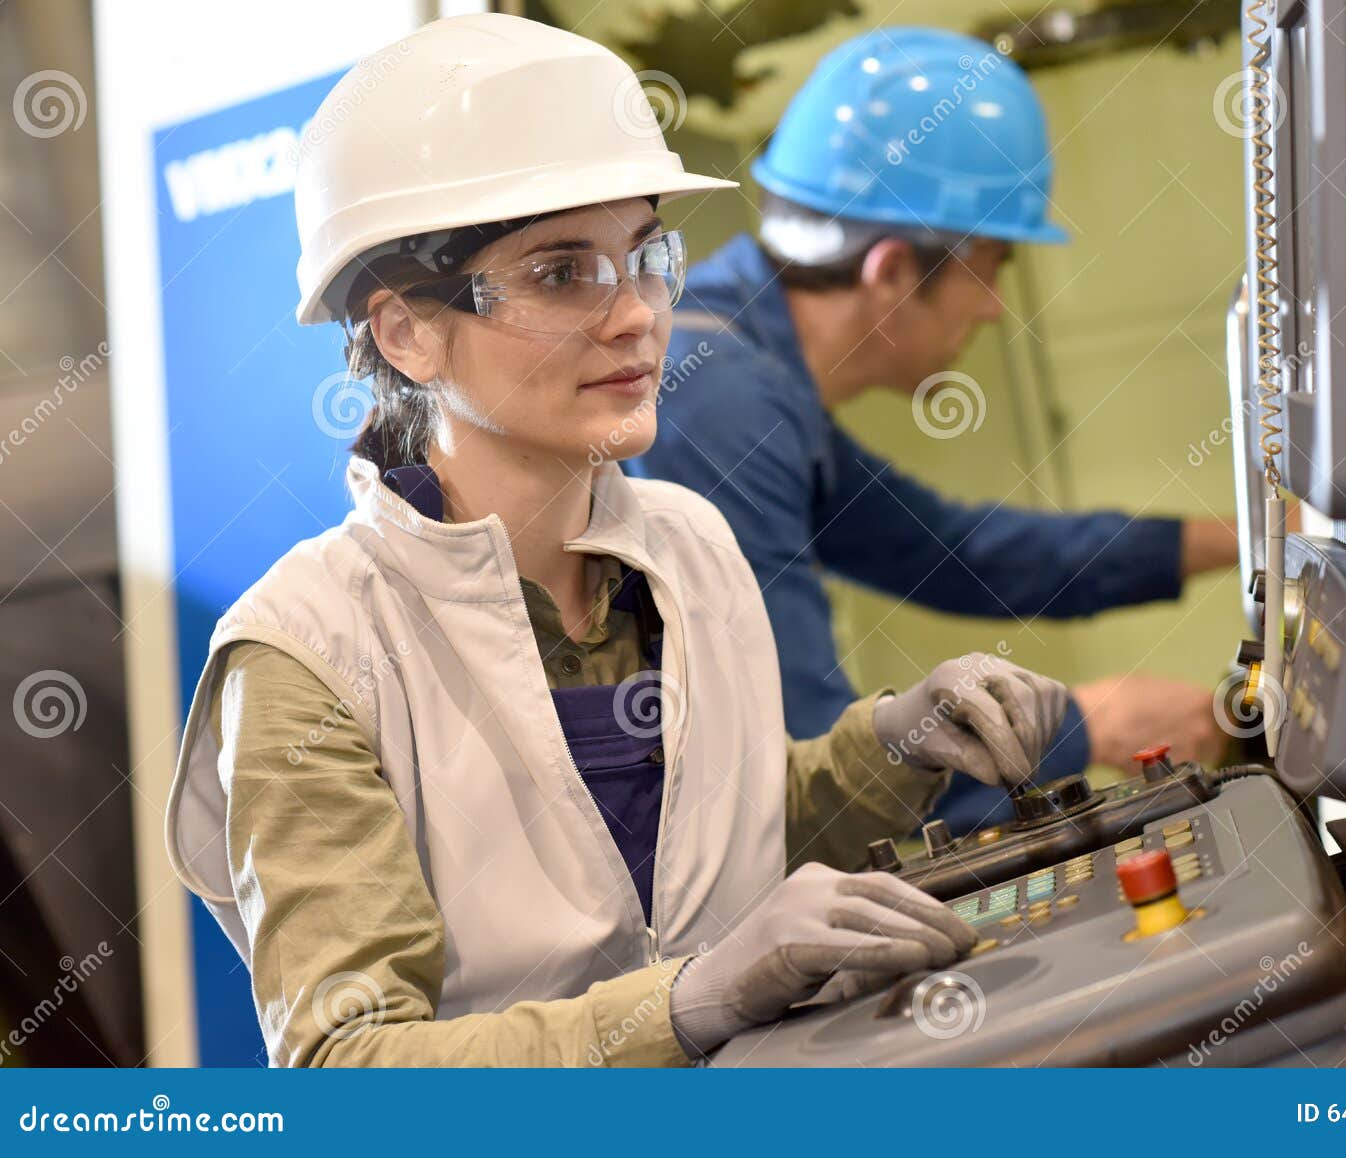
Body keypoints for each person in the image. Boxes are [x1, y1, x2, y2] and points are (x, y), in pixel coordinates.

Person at [164, 14, 1080, 1069]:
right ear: (406, 331)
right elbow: (352, 1070)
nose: (638, 315)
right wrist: (689, 1003)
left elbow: (719, 834)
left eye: (643, 258)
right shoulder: (307, 654)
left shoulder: (689, 546)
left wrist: (895, 744)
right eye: (562, 274)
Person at [639, 27, 1232, 834]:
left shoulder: (746, 364)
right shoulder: (721, 401)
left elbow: (957, 555)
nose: (993, 307)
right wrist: (1084, 727)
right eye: (988, 268)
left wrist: (1236, 538)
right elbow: (807, 764)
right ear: (889, 273)